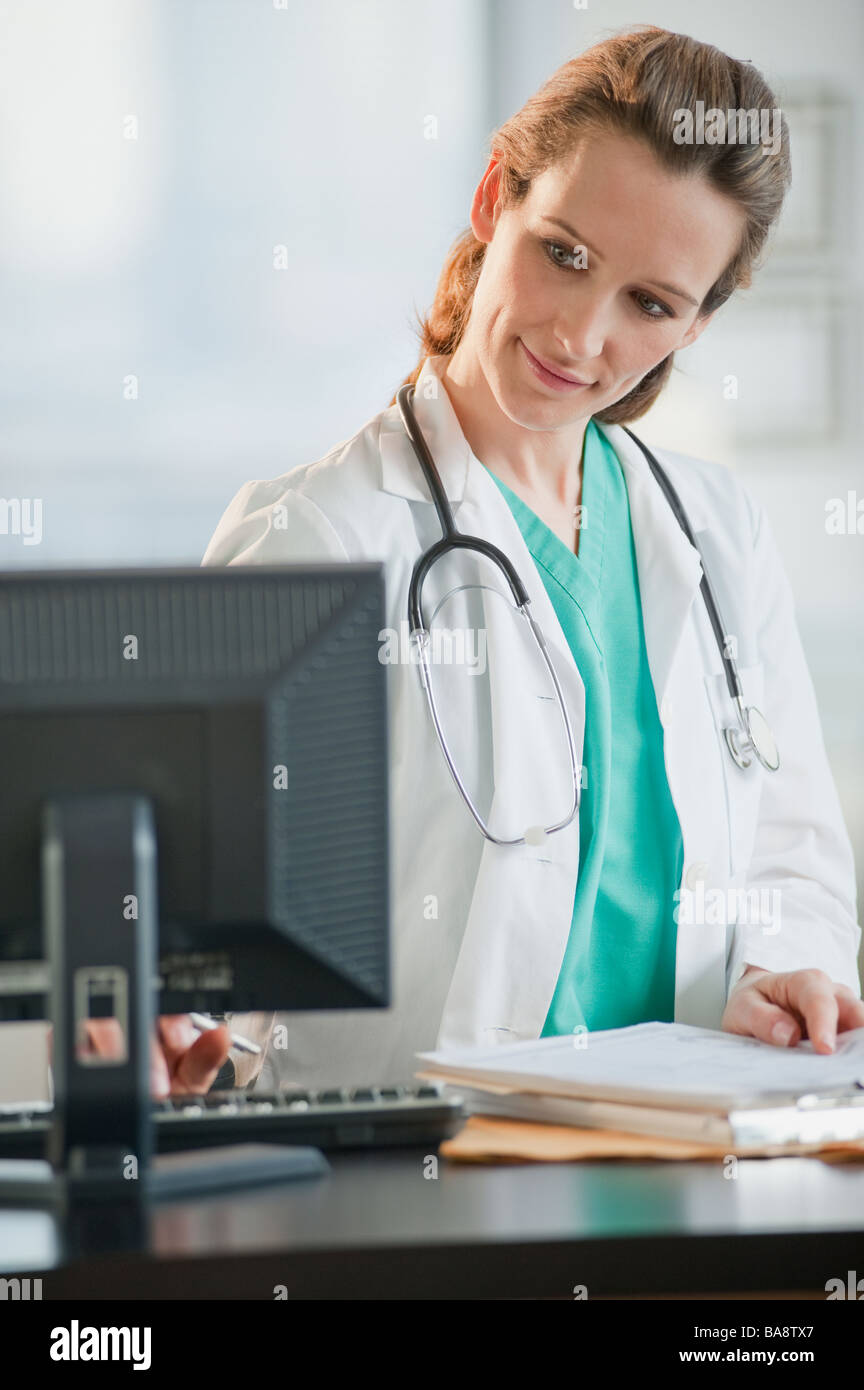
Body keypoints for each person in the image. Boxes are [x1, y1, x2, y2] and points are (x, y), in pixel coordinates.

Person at [128, 26, 864, 1094]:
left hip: (682, 1170)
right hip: (423, 1190)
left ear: (698, 323)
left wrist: (784, 966)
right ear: (493, 198)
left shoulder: (716, 534)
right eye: (564, 253)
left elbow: (792, 850)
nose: (579, 333)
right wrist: (166, 1012)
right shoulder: (322, 536)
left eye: (649, 303)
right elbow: (191, 918)